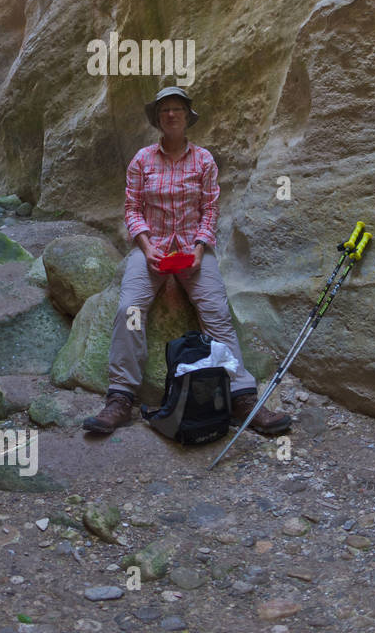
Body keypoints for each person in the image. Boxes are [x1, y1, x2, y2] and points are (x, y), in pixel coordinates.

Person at [85, 86, 292, 439]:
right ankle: (120, 398)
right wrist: (146, 246)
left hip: (194, 250)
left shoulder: (204, 160)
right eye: (164, 109)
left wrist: (200, 249)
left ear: (187, 116)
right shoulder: (142, 160)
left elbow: (210, 210)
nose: (171, 114)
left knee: (215, 312)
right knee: (129, 310)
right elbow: (133, 210)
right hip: (153, 248)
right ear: (158, 119)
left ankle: (242, 399)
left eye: (177, 108)